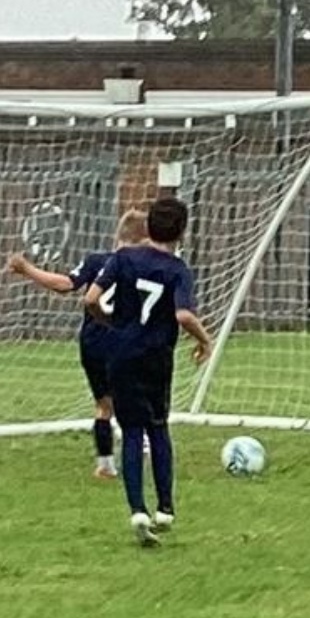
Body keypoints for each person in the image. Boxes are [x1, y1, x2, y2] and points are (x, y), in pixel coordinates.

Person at [84, 197, 213, 547]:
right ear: (182, 232)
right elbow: (183, 316)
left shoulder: (123, 258)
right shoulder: (177, 269)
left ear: (149, 227)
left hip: (121, 354)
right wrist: (206, 339)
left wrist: (110, 322)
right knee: (157, 427)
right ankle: (166, 507)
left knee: (130, 429)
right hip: (157, 357)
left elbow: (91, 299)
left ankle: (138, 510)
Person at [6, 207, 149, 479]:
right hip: (124, 341)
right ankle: (141, 443)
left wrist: (28, 269)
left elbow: (65, 284)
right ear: (145, 240)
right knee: (135, 398)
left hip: (93, 342)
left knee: (104, 406)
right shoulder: (146, 267)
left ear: (118, 235)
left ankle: (105, 465)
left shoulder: (97, 261)